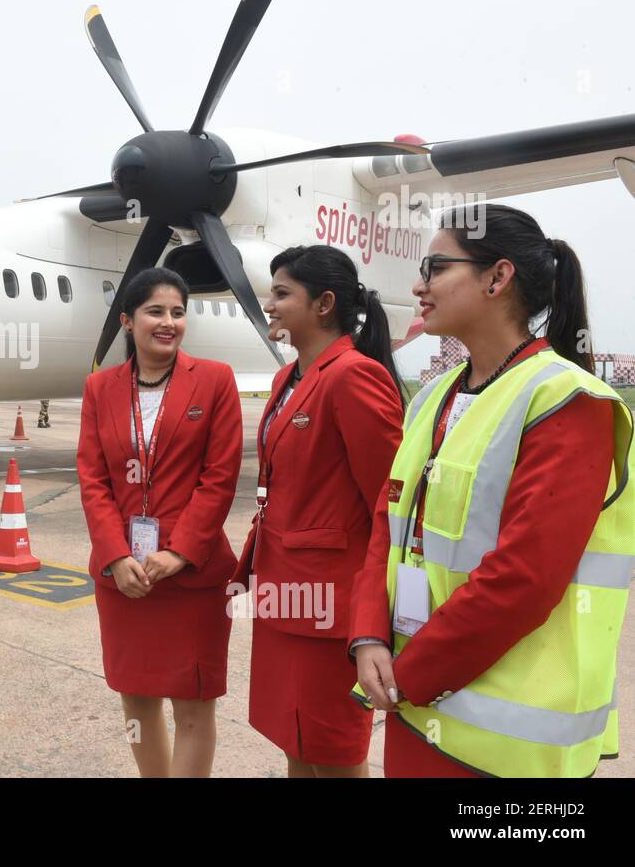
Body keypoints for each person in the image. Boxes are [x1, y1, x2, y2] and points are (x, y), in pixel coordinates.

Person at [351, 204, 633, 777]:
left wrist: (412, 674)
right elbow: (388, 525)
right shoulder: (433, 398)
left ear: (497, 278)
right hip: (413, 709)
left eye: (434, 266)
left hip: (503, 745)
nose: (417, 285)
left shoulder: (566, 401)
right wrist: (367, 637)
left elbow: (526, 577)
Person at [231, 246, 404, 777]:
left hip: (331, 607)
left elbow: (389, 502)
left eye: (283, 293)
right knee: (294, 741)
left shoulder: (353, 376)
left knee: (332, 752)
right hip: (286, 595)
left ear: (324, 303)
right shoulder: (290, 379)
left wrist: (375, 616)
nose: (270, 304)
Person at [78, 266, 243, 777]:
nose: (168, 322)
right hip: (125, 577)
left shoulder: (215, 381)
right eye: (155, 312)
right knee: (137, 702)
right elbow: (93, 480)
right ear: (128, 321)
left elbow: (219, 478)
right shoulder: (100, 388)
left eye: (177, 312)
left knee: (193, 705)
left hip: (191, 574)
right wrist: (115, 555)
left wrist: (178, 552)